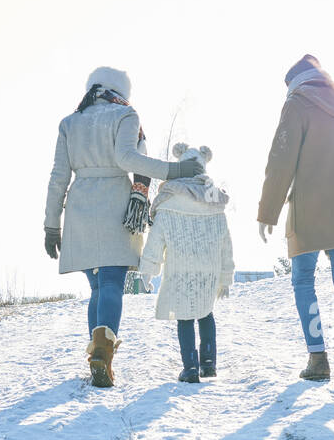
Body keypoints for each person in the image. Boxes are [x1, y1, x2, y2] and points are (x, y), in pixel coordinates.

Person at [44, 66, 204, 387]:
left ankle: (95, 356)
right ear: (122, 91)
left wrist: (51, 225)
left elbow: (58, 177)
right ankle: (103, 354)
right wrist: (176, 170)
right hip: (115, 204)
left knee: (97, 288)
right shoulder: (125, 116)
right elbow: (129, 159)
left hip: (79, 208)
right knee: (113, 283)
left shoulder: (69, 123)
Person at [256, 54, 334, 384]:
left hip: (309, 209)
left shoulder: (298, 105)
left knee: (302, 281)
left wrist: (268, 211)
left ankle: (318, 358)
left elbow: (280, 160)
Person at [141, 143, 234, 383]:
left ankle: (190, 367)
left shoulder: (170, 197)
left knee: (184, 316)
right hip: (209, 269)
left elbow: (156, 238)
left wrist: (149, 270)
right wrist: (225, 277)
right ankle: (209, 363)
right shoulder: (215, 199)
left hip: (180, 268)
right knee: (206, 312)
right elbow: (226, 243)